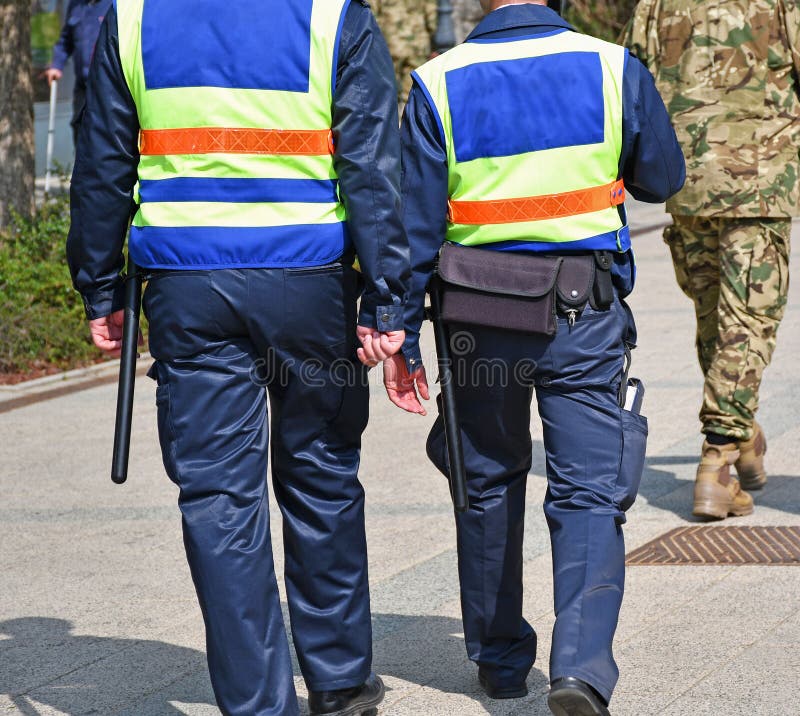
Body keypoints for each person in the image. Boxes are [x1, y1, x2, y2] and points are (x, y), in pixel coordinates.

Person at [66, 1, 410, 714]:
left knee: (219, 500)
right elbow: (372, 166)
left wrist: (99, 284)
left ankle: (257, 705)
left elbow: (102, 164)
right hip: (309, 283)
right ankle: (340, 682)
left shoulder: (131, 18)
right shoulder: (334, 16)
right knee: (320, 476)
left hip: (188, 288)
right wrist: (386, 298)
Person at [389, 1, 685, 714]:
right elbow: (662, 178)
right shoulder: (612, 66)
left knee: (485, 480)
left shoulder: (437, 80)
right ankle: (579, 668)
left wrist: (396, 331)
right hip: (582, 312)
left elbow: (413, 225)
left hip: (475, 320)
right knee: (587, 490)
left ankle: (499, 662)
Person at [626, 0, 799, 521]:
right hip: (760, 182)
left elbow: (630, 86)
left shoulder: (655, 4)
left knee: (716, 322)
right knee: (745, 324)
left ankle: (743, 435)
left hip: (687, 183)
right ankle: (719, 457)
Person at [43, 0, 112, 146]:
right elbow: (66, 39)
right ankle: (82, 161)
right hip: (83, 84)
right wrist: (56, 64)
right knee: (79, 125)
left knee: (106, 129)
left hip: (109, 84)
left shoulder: (114, 4)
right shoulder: (76, 5)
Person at [372, 0, 437, 103]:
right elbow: (432, 16)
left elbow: (372, 17)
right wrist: (434, 42)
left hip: (391, 44)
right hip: (418, 44)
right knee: (413, 94)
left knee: (387, 94)